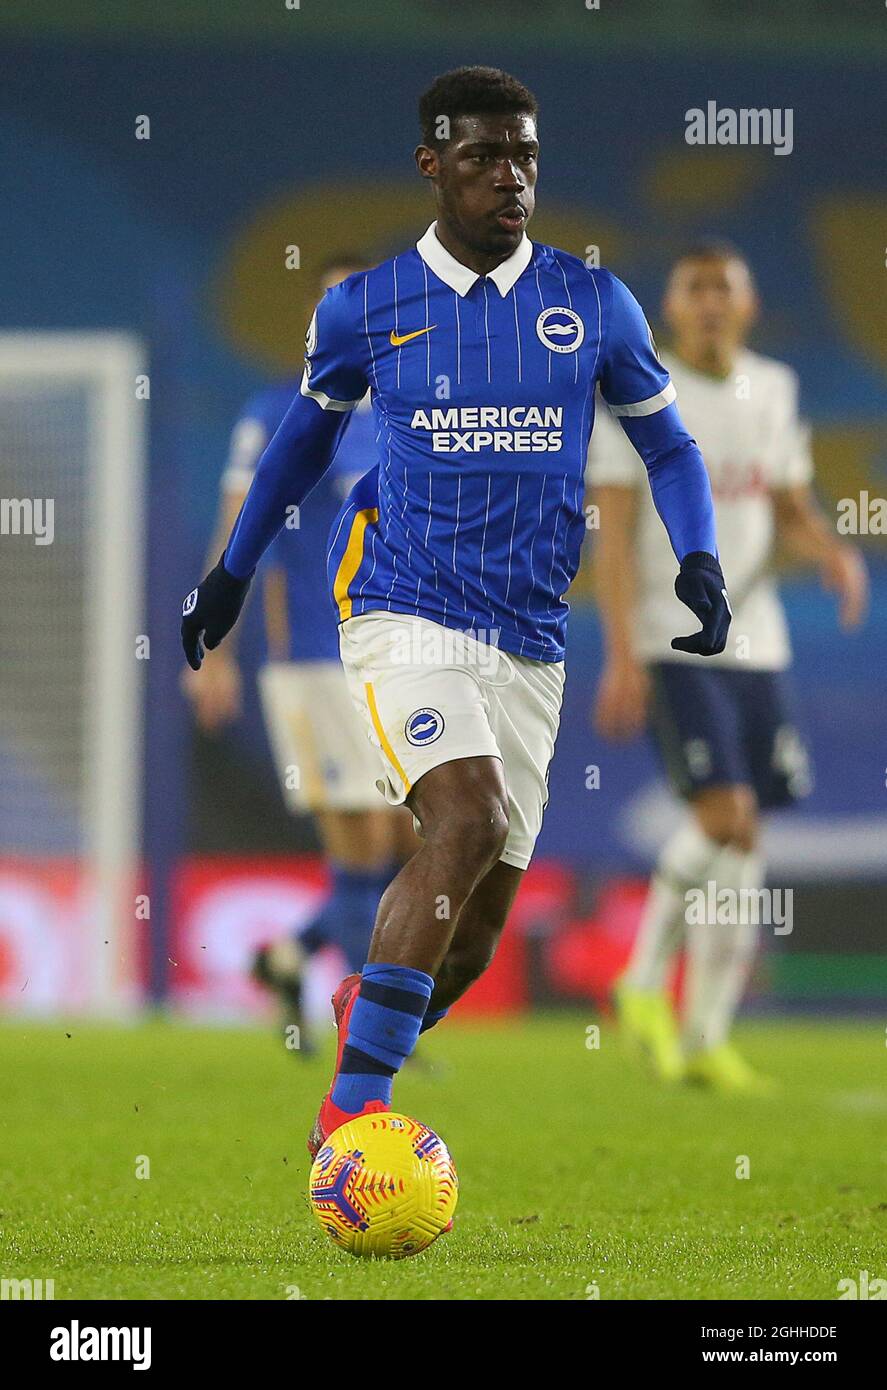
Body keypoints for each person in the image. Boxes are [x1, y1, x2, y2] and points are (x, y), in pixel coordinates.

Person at [181, 66, 731, 1154]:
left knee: (472, 940)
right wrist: (233, 573)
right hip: (399, 609)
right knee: (464, 819)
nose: (510, 176)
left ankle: (361, 1024)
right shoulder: (365, 306)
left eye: (524, 154)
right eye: (483, 156)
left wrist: (699, 556)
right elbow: (300, 443)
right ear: (432, 166)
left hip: (528, 640)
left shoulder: (591, 302)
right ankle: (352, 1117)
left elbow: (666, 441)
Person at [588, 242, 868, 1092]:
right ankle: (639, 983)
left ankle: (706, 1035)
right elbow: (611, 527)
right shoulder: (633, 393)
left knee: (747, 837)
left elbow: (786, 501)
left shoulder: (773, 389)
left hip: (758, 639)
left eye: (724, 288)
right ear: (670, 308)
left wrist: (830, 552)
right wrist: (618, 653)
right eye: (693, 288)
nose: (709, 302)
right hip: (671, 640)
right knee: (724, 815)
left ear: (747, 304)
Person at [182, 257, 417, 1045]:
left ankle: (289, 956)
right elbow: (236, 528)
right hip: (317, 657)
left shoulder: (408, 411)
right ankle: (368, 1036)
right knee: (363, 836)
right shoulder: (280, 409)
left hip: (399, 660)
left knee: (411, 842)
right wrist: (216, 648)